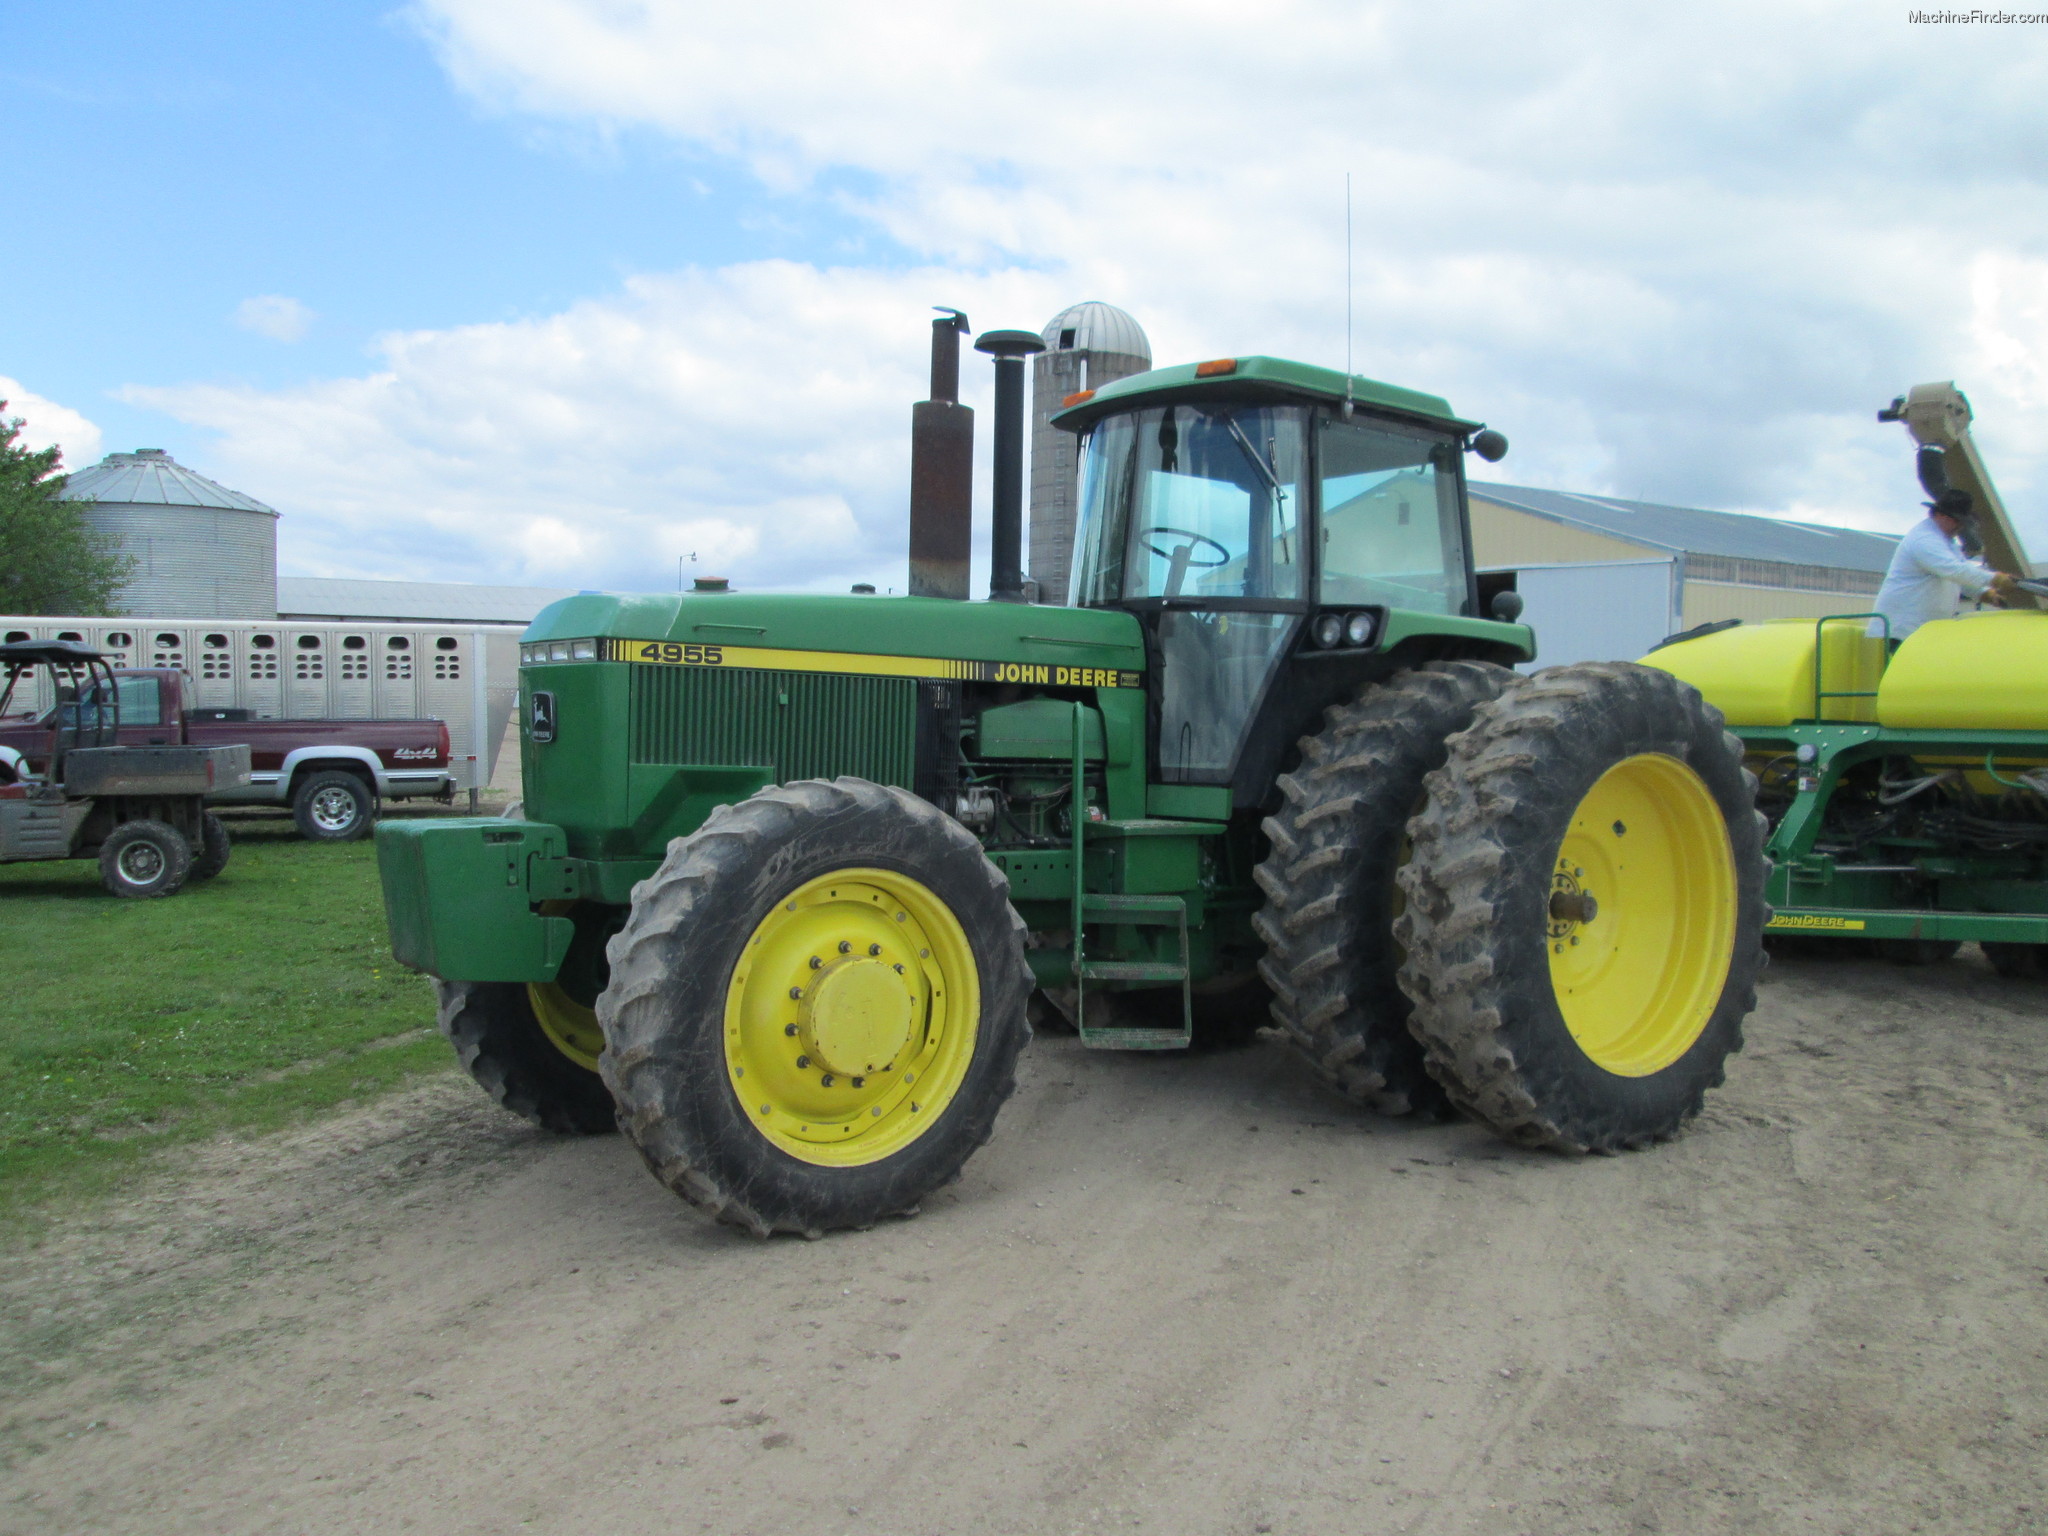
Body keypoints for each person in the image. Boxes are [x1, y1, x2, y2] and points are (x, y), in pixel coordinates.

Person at [1868, 489, 2017, 644]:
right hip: (1901, 631)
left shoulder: (1944, 542)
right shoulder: (1925, 540)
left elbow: (1958, 576)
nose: (1960, 526)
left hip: (1919, 631)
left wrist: (1985, 594)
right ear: (1940, 515)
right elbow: (1955, 571)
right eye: (1956, 520)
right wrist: (1996, 579)